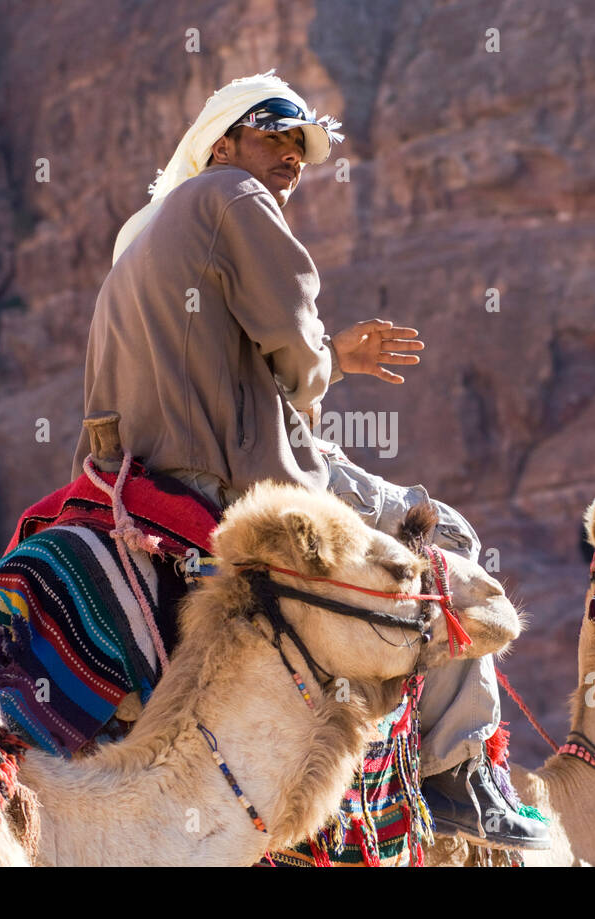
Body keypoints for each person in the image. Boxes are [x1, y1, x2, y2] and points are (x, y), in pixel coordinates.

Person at [73, 70, 547, 851]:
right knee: (445, 538)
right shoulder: (235, 195)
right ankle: (462, 776)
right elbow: (292, 353)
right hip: (237, 477)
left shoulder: (144, 232)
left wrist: (330, 356)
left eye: (302, 145)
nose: (292, 156)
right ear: (223, 144)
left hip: (135, 475)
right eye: (275, 135)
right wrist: (324, 362)